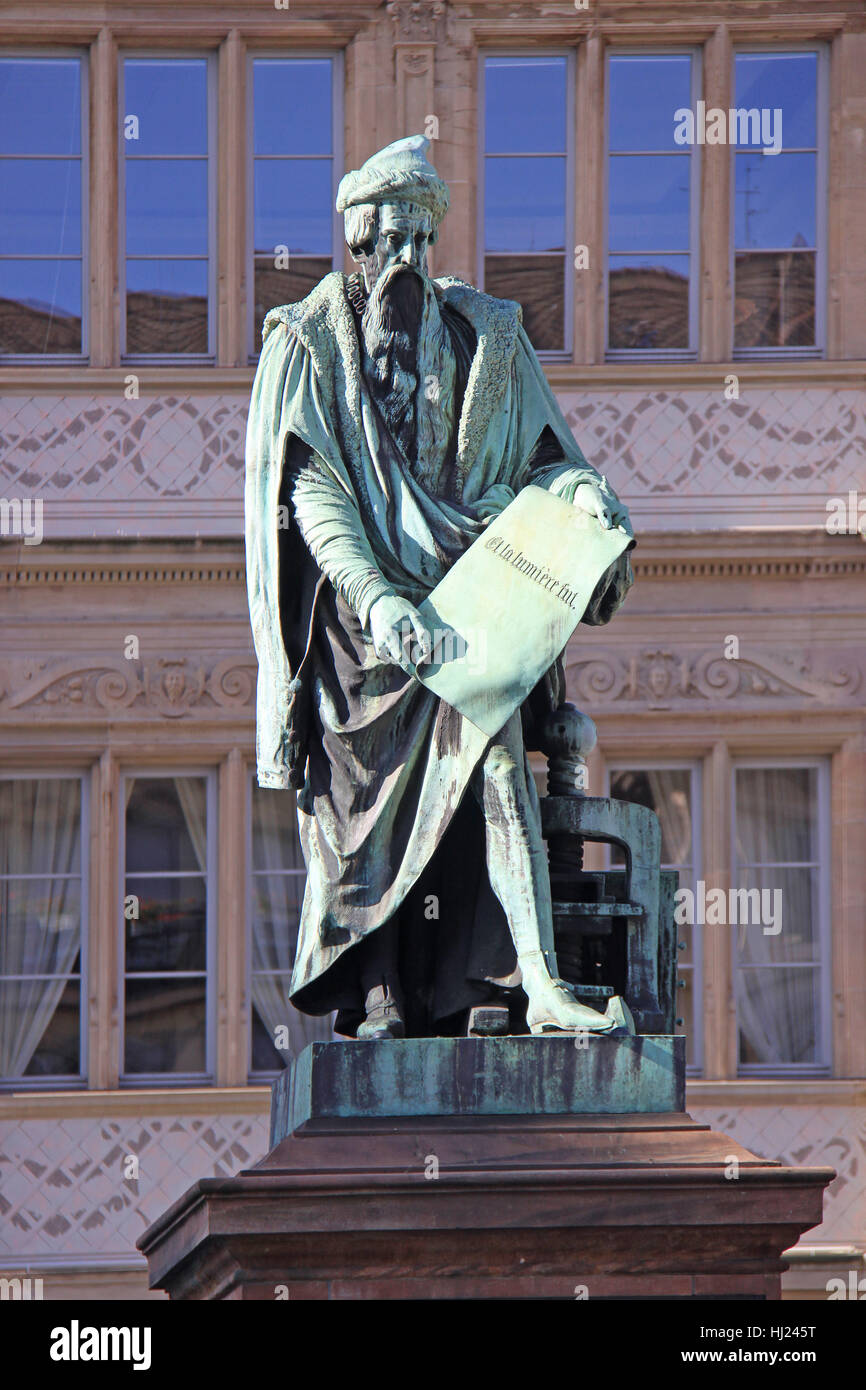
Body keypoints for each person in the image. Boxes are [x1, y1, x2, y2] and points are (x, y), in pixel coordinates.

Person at [245, 136, 635, 1040]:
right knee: (364, 800)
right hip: (363, 624)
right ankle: (376, 986)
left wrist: (584, 495)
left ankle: (491, 986)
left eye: (423, 237)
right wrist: (380, 600)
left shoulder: (487, 335)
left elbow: (549, 461)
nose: (409, 260)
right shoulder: (305, 342)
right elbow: (312, 493)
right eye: (391, 239)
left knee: (488, 786)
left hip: (472, 605)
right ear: (358, 240)